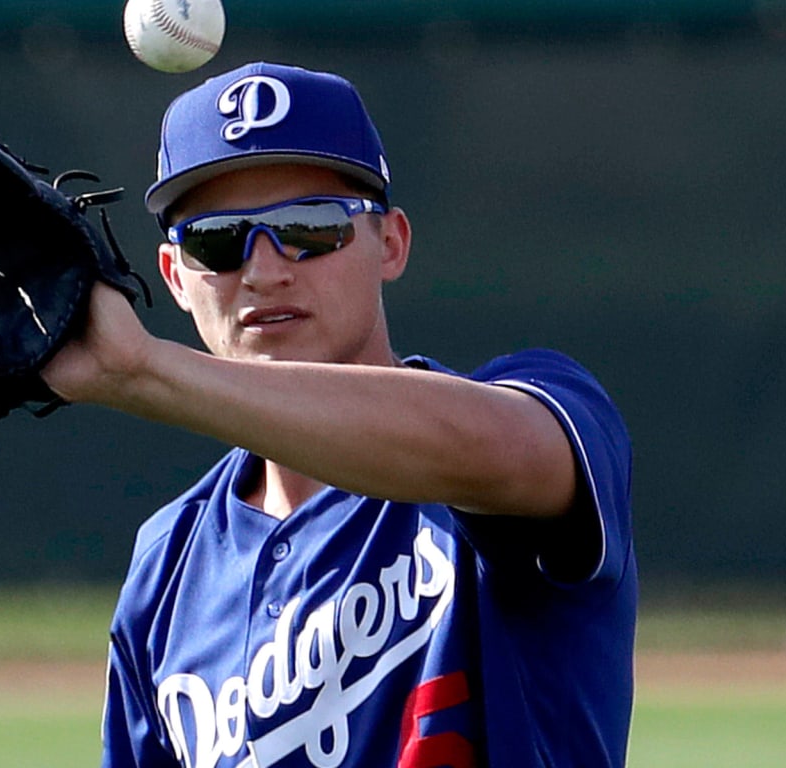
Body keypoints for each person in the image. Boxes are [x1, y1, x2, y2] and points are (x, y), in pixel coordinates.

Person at [42, 61, 636, 768]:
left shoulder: (524, 414)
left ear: (391, 243)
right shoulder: (166, 567)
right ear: (174, 276)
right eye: (217, 242)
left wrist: (144, 369)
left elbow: (501, 455)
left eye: (309, 226)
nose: (263, 271)